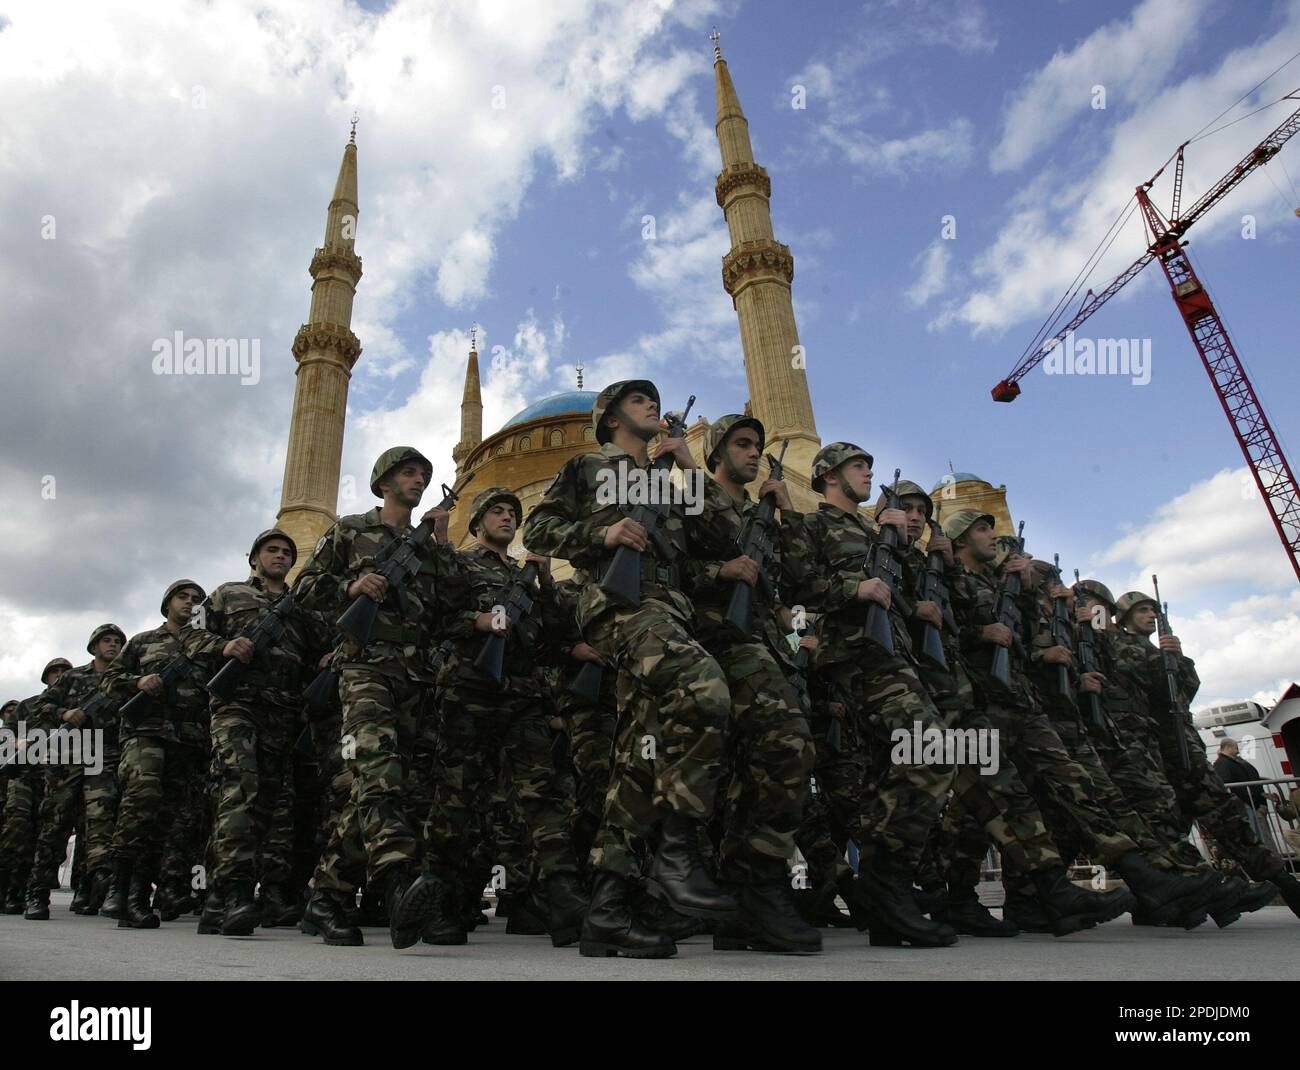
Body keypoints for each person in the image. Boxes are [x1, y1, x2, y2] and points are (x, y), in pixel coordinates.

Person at [523, 380, 735, 959]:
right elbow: (537, 530)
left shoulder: (670, 481)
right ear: (611, 417)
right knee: (707, 689)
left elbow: (723, 535)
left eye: (654, 401)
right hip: (621, 608)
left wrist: (691, 470)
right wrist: (603, 531)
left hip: (668, 614)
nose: (652, 406)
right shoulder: (589, 466)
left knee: (639, 758)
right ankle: (676, 849)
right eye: (639, 401)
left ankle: (608, 911)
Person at [294, 447, 461, 949]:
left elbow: (454, 603)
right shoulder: (350, 529)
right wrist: (351, 587)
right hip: (364, 666)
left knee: (379, 786)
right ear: (384, 481)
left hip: (415, 678)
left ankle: (326, 896)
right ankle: (398, 881)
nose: (418, 481)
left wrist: (444, 542)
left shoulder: (430, 544)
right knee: (378, 770)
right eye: (409, 473)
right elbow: (303, 594)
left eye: (423, 476)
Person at [180, 528, 332, 936]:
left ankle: (242, 896)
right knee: (239, 792)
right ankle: (234, 891)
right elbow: (191, 636)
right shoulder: (227, 594)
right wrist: (224, 648)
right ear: (254, 557)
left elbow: (319, 650)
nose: (280, 556)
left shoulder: (299, 607)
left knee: (271, 803)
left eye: (286, 552)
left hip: (284, 715)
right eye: (272, 550)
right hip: (238, 707)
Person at [100, 581, 212, 929]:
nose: (190, 603)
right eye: (183, 597)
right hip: (145, 734)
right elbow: (109, 681)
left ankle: (137, 898)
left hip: (188, 742)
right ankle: (117, 889)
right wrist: (137, 682)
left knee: (168, 819)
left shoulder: (206, 645)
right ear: (167, 604)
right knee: (140, 803)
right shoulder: (143, 642)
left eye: (197, 600)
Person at [24, 626, 126, 919]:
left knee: (101, 820)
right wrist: (64, 714)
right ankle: (38, 892)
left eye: (118, 641)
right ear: (93, 647)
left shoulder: (121, 680)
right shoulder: (73, 677)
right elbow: (44, 705)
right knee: (55, 824)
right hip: (68, 753)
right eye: (107, 640)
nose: (113, 645)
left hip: (104, 755)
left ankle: (96, 886)